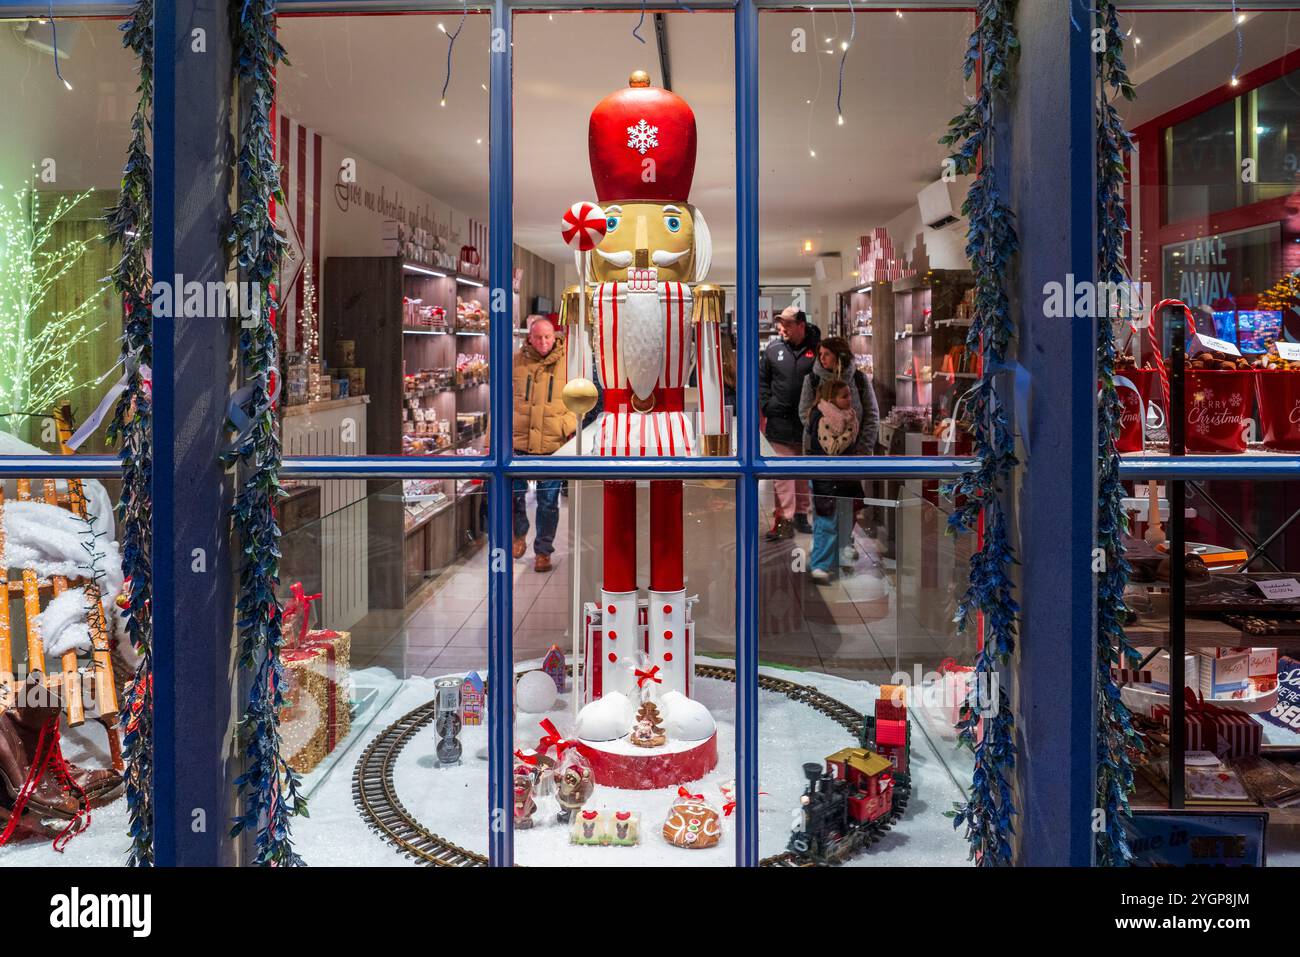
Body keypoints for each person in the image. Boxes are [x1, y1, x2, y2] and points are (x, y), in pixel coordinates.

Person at [512, 315, 576, 572]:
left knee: (548, 502)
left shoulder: (568, 363)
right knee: (514, 496)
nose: (543, 342)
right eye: (538, 337)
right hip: (518, 441)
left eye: (548, 336)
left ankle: (543, 551)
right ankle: (519, 533)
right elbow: (501, 399)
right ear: (529, 337)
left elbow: (583, 398)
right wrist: (493, 438)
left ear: (555, 336)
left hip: (552, 444)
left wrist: (565, 425)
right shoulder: (515, 362)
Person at [759, 306, 821, 539]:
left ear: (801, 325)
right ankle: (783, 520)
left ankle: (802, 515)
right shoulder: (774, 350)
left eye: (787, 323)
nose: (781, 328)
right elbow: (762, 380)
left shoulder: (816, 350)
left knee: (803, 473)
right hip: (780, 423)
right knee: (783, 475)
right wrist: (768, 405)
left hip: (807, 425)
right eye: (780, 323)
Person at [805, 378, 866, 584]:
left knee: (844, 521)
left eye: (850, 394)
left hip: (844, 480)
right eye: (844, 396)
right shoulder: (824, 419)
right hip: (826, 480)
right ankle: (820, 565)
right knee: (827, 523)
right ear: (831, 399)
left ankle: (836, 560)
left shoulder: (848, 417)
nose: (850, 400)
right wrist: (849, 431)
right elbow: (832, 449)